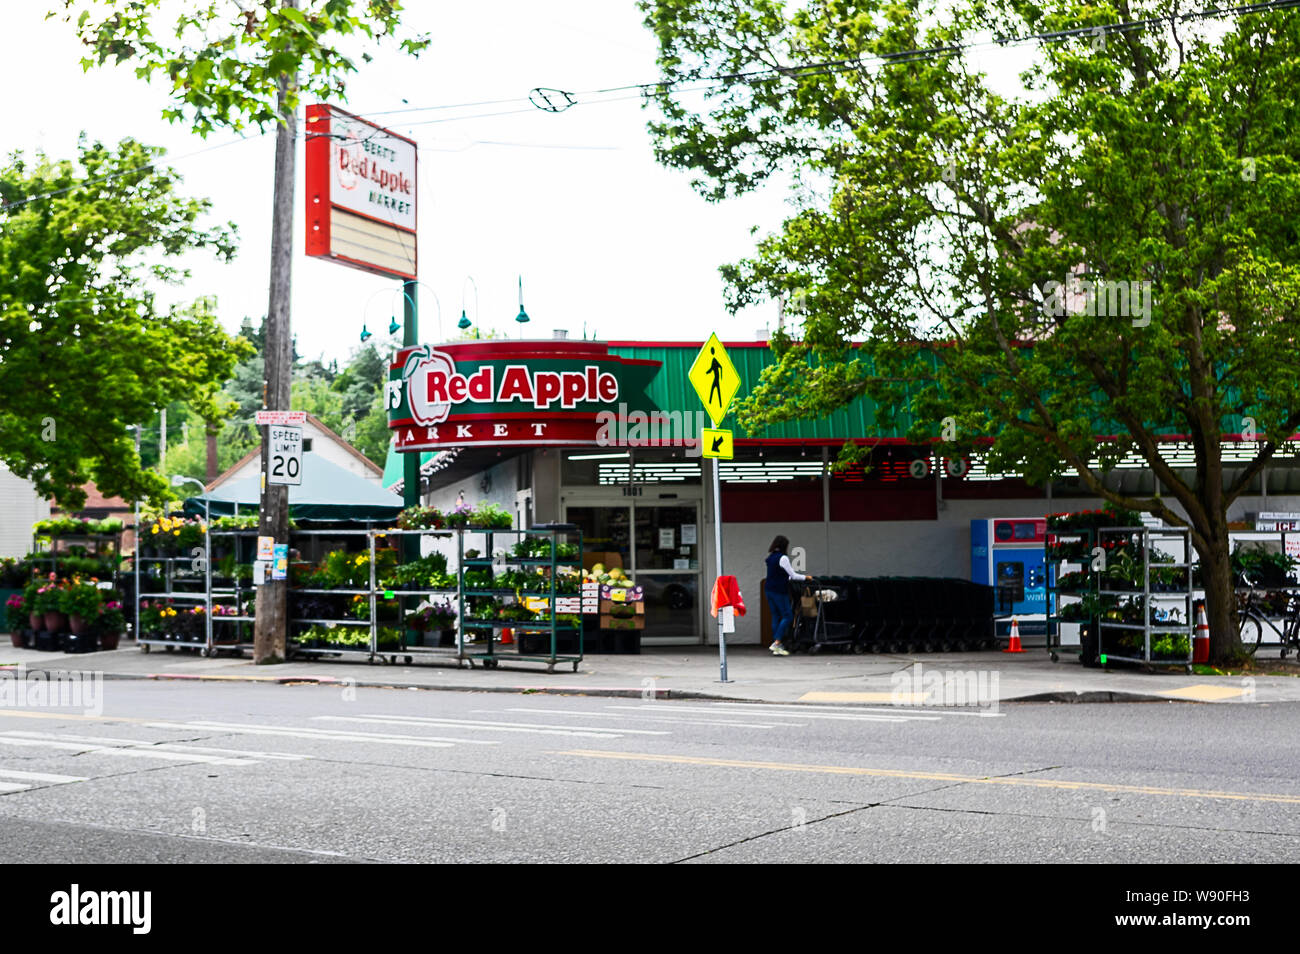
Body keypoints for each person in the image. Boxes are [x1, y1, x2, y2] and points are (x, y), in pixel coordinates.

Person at [765, 535, 811, 656]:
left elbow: (780, 573)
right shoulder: (783, 558)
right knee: (788, 615)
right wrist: (806, 577)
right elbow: (793, 575)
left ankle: (777, 644)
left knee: (776, 616)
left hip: (769, 589)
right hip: (779, 590)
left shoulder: (770, 557)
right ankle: (777, 642)